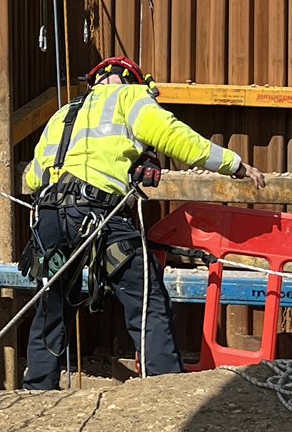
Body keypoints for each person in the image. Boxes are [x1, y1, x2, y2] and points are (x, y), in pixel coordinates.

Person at [21, 55, 267, 390]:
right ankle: (163, 391)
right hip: (99, 215)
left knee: (52, 304)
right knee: (147, 299)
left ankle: (38, 388)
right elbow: (177, 138)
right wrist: (234, 164)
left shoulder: (63, 115)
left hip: (49, 219)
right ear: (134, 80)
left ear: (95, 81)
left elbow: (32, 178)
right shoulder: (130, 98)